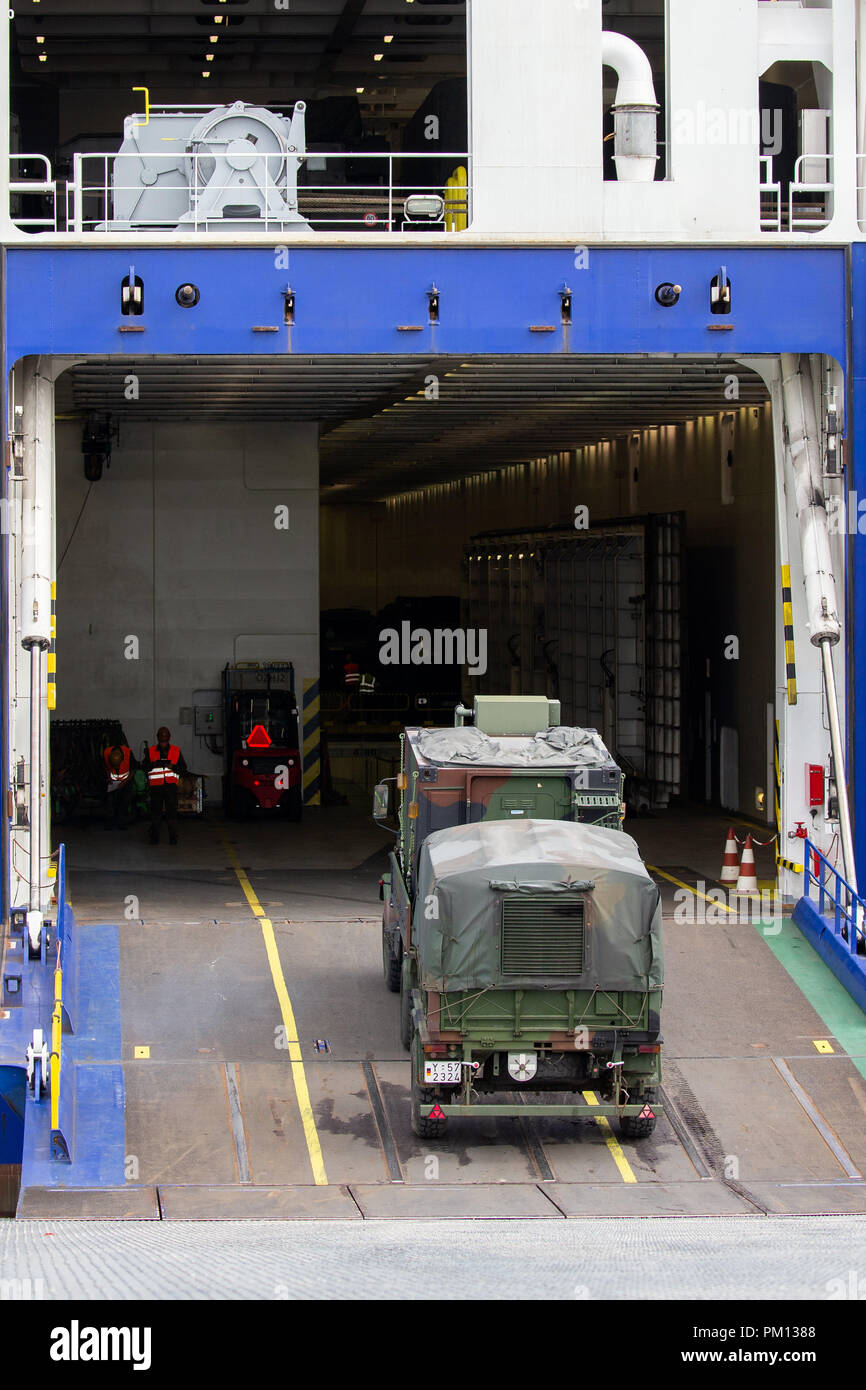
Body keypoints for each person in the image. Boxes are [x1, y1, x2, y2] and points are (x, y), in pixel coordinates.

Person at [144, 727, 187, 845]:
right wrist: (152, 765)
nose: (163, 740)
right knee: (155, 814)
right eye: (161, 737)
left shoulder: (176, 751)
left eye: (165, 737)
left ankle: (173, 838)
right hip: (156, 788)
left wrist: (174, 767)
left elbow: (183, 768)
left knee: (171, 814)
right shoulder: (151, 751)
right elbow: (144, 767)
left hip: (170, 787)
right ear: (157, 737)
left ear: (169, 737)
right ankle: (154, 838)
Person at [103, 743, 136, 830]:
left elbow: (133, 771)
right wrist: (109, 777)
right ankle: (110, 822)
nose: (116, 767)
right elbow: (105, 766)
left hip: (126, 781)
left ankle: (121, 822)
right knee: (110, 801)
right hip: (113, 783)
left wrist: (124, 782)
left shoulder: (128, 754)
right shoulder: (106, 753)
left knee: (125, 801)